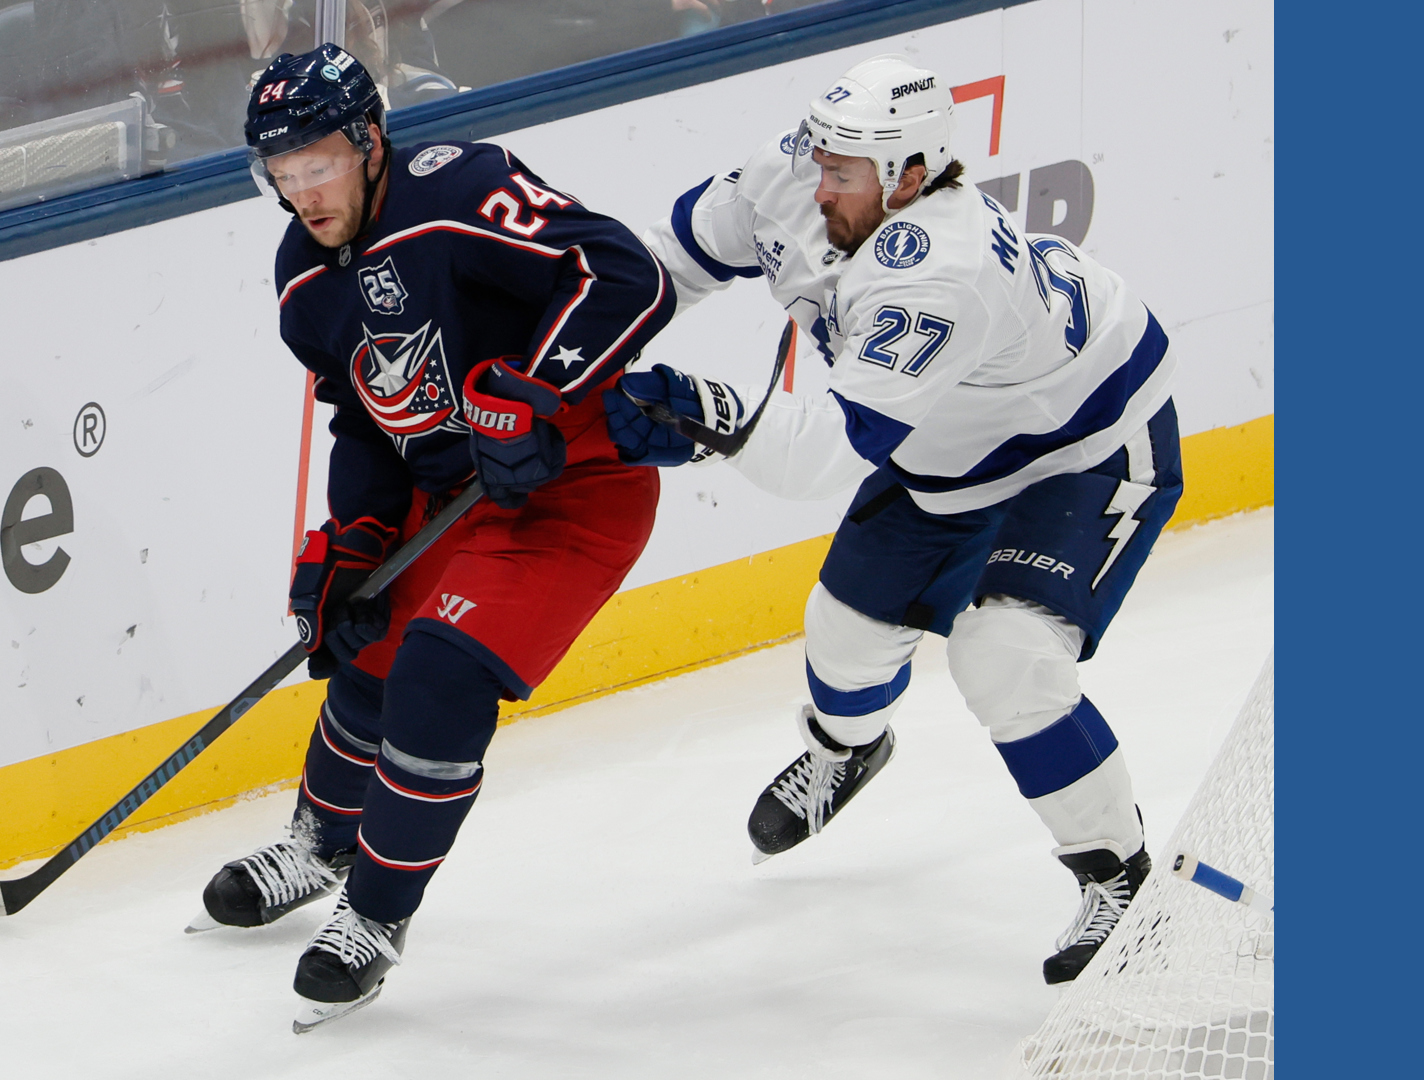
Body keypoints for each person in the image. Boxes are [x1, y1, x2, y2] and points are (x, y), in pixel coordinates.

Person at [605, 53, 1182, 985]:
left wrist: (703, 412)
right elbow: (659, 265)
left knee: (1004, 660)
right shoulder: (794, 176)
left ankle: (1119, 875)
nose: (817, 182)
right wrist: (563, 351)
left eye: (843, 172)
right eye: (820, 159)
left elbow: (822, 457)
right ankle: (848, 752)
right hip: (951, 445)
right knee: (841, 635)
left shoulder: (938, 269)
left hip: (1086, 442)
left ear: (913, 175)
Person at [195, 43, 674, 1030]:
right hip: (452, 495)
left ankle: (373, 915)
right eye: (280, 175)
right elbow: (366, 417)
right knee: (364, 640)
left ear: (370, 140)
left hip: (571, 492)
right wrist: (358, 535)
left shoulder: (462, 188)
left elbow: (624, 274)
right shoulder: (302, 277)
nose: (301, 193)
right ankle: (323, 842)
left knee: (439, 675)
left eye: (317, 163)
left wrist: (542, 391)